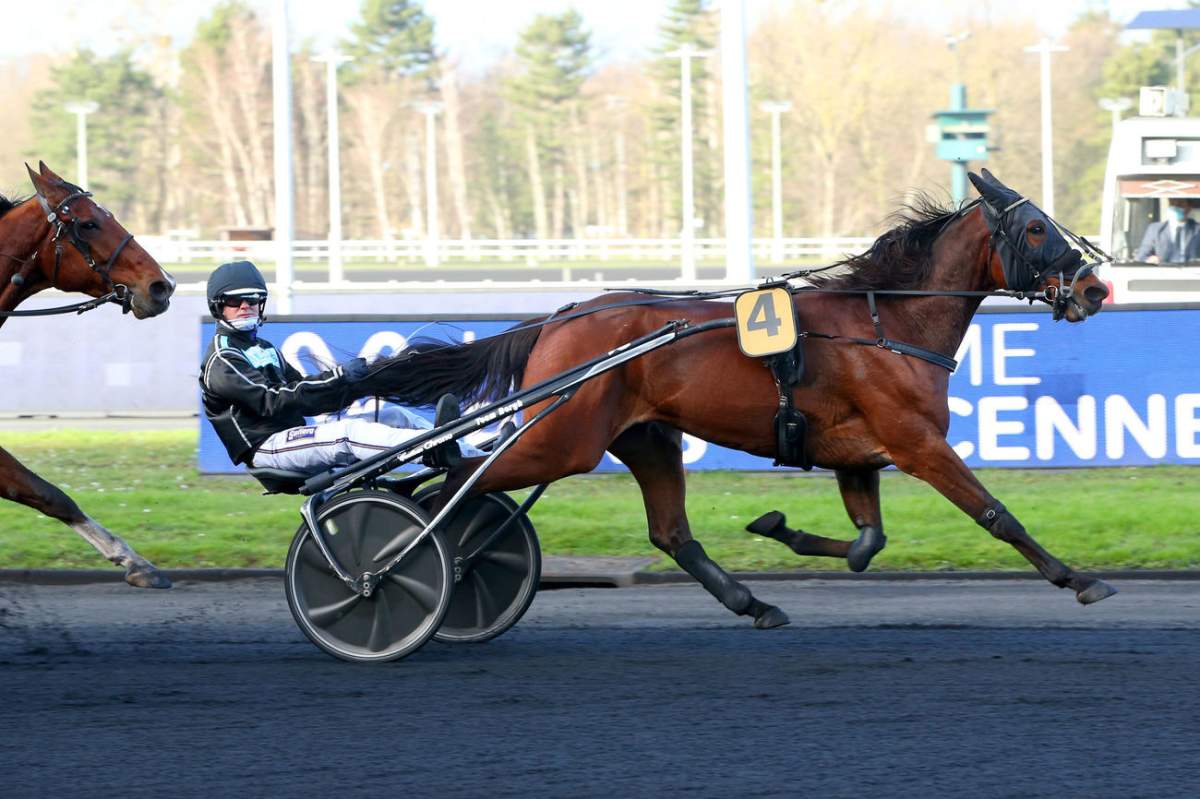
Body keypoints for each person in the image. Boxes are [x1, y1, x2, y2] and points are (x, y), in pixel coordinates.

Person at [199, 260, 462, 475]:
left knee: (394, 417)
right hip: (265, 446)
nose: (245, 306)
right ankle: (432, 449)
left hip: (290, 435)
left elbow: (306, 398)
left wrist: (355, 385)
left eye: (253, 299)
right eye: (234, 301)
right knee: (347, 434)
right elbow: (273, 400)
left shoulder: (266, 348)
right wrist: (339, 376)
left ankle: (468, 452)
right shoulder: (222, 359)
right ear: (218, 307)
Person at [1135, 197, 1200, 263]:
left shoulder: (1197, 230)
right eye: (1172, 204)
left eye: (1180, 204)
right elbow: (1141, 257)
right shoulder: (1155, 229)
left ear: (1189, 208)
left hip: (1191, 271)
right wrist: (1149, 259)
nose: (1175, 207)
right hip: (1163, 271)